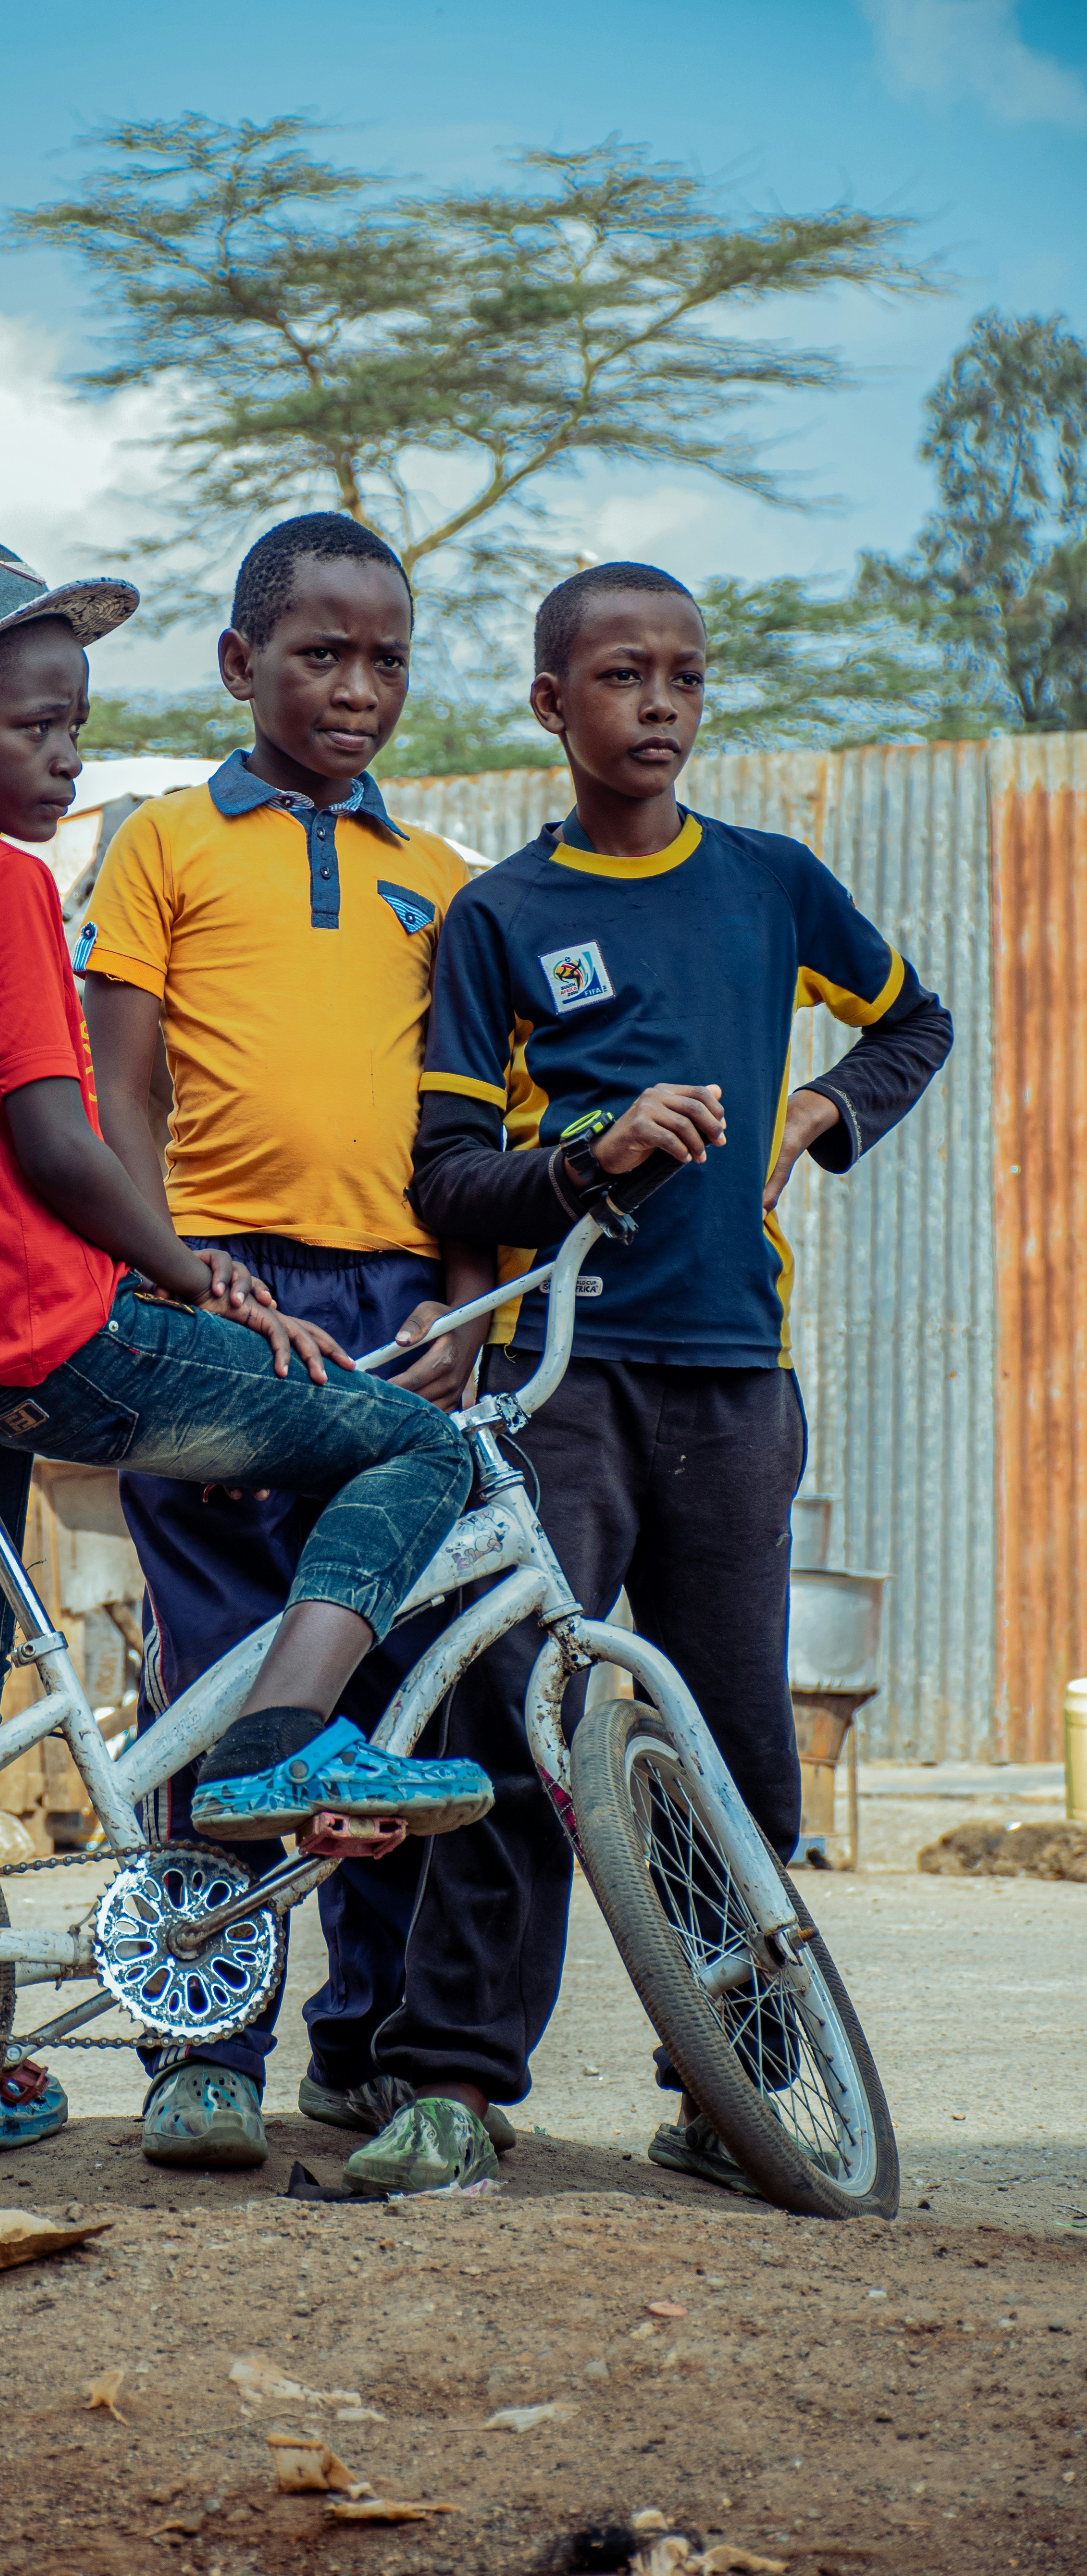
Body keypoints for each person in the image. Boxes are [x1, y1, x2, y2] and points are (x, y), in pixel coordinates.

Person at [0, 538, 489, 2165]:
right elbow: (58, 1139)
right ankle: (277, 1742)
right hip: (28, 1330)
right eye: (37, 726)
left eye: (75, 723)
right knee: (418, 1448)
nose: (64, 752)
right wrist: (194, 1274)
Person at [337, 559, 953, 2197]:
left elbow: (914, 1024)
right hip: (564, 1381)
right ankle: (456, 2083)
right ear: (555, 705)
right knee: (522, 1719)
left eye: (685, 673)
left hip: (737, 1382)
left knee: (735, 1749)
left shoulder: (771, 884)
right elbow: (450, 1175)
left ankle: (732, 2085)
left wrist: (816, 1114)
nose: (662, 702)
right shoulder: (505, 918)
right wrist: (586, 1153)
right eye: (624, 675)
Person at [76, 510, 497, 2171]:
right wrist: (164, 1273)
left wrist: (463, 1307)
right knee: (218, 1673)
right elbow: (116, 1089)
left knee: (390, 1693)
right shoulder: (164, 843)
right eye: (319, 653)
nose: (356, 687)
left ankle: (362, 2047)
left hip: (400, 1314)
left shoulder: (444, 884)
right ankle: (197, 2047)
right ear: (241, 663)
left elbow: (468, 1123)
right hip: (218, 1296)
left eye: (385, 658)